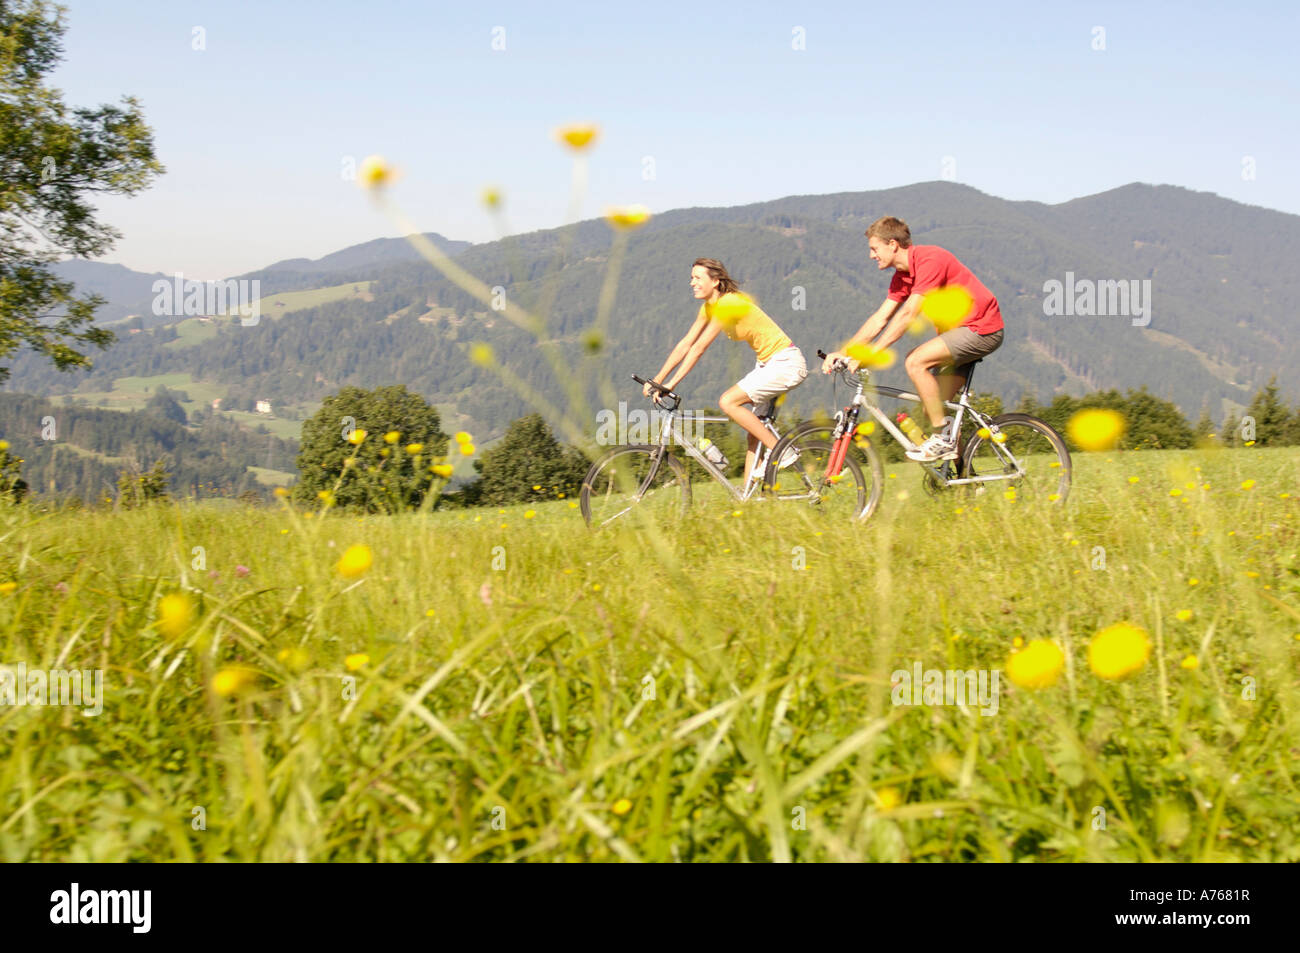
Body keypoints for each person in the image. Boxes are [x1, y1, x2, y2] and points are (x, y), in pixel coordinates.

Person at [823, 216, 1004, 461]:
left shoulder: (930, 260)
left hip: (982, 329)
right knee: (934, 409)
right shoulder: (902, 276)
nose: (871, 255)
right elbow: (880, 318)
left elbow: (908, 314)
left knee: (915, 361)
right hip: (958, 334)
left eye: (874, 249)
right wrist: (846, 352)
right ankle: (961, 474)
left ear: (893, 244)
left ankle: (943, 440)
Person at [645, 258, 807, 481]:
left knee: (728, 402)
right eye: (691, 278)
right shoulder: (709, 308)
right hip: (768, 365)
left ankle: (782, 451)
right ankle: (749, 495)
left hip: (785, 364)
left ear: (715, 281)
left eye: (697, 278)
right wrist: (658, 379)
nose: (692, 282)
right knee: (754, 435)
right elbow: (686, 343)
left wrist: (671, 384)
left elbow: (699, 348)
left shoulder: (728, 304)